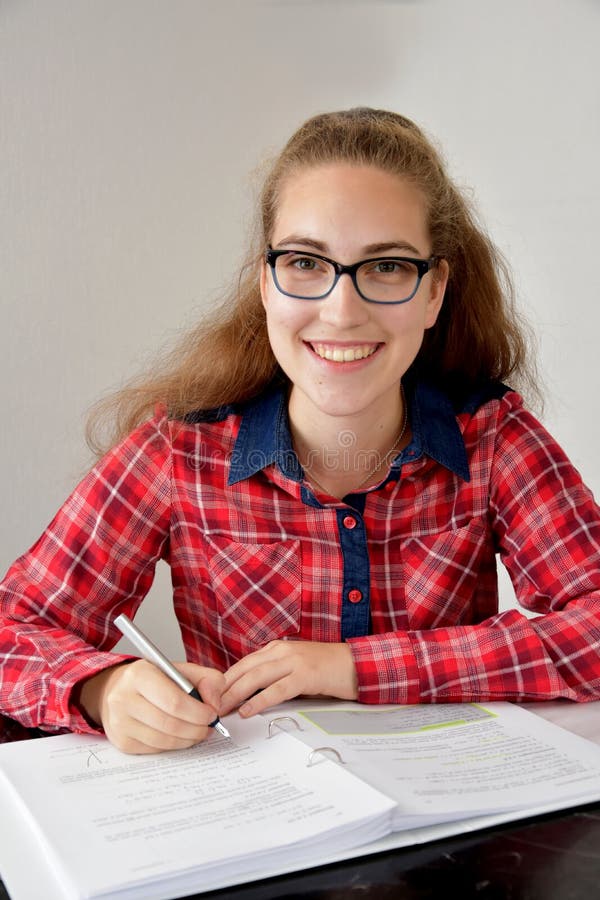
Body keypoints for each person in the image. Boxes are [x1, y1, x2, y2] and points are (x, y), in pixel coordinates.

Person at [1, 108, 599, 756]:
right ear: (266, 281)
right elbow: (13, 629)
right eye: (307, 263)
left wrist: (350, 668)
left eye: (388, 267)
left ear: (434, 292)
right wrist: (104, 688)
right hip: (255, 829)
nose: (342, 311)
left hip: (456, 827)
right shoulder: (179, 451)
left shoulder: (495, 438)